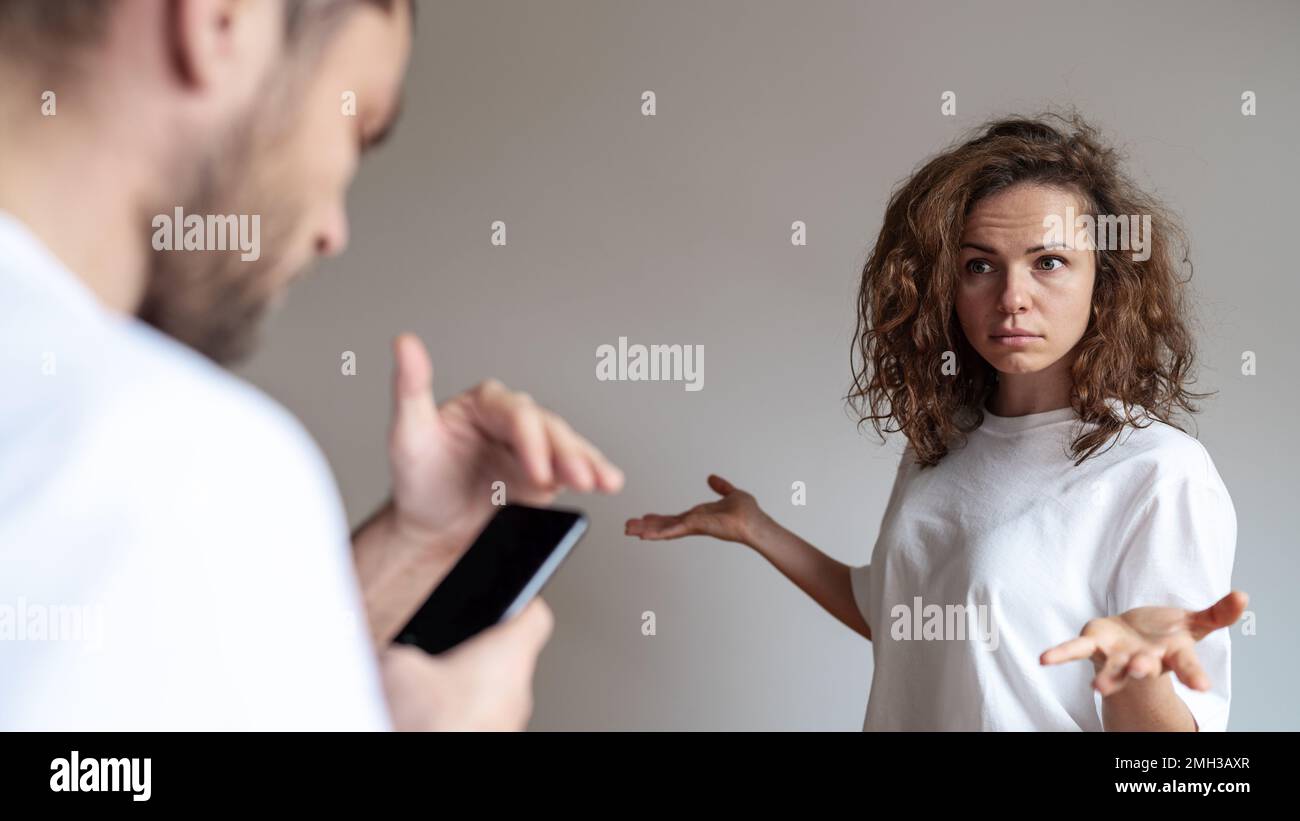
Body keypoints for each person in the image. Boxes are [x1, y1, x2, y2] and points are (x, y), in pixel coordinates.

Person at [0, 0, 622, 731]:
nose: (333, 230)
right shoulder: (173, 459)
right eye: (357, 127)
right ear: (220, 20)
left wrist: (412, 551)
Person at [627, 114, 1247, 731]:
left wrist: (1135, 674)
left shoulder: (1156, 471)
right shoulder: (944, 439)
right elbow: (899, 614)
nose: (1012, 296)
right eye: (980, 265)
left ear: (1105, 282)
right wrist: (758, 529)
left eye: (1049, 262)